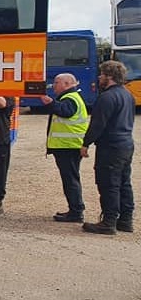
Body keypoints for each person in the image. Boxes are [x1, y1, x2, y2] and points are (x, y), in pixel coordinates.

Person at [81, 60, 135, 235]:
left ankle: (108, 222)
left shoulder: (106, 97)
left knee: (108, 183)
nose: (99, 77)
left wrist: (85, 143)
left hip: (110, 146)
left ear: (109, 76)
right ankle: (125, 220)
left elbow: (97, 125)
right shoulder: (128, 95)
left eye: (102, 74)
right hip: (126, 144)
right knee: (124, 183)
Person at [40, 73, 89, 222]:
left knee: (70, 180)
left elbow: (65, 111)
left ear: (67, 84)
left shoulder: (70, 98)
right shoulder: (71, 97)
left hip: (68, 147)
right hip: (69, 146)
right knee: (71, 178)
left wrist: (49, 102)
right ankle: (75, 209)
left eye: (56, 83)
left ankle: (76, 212)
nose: (53, 86)